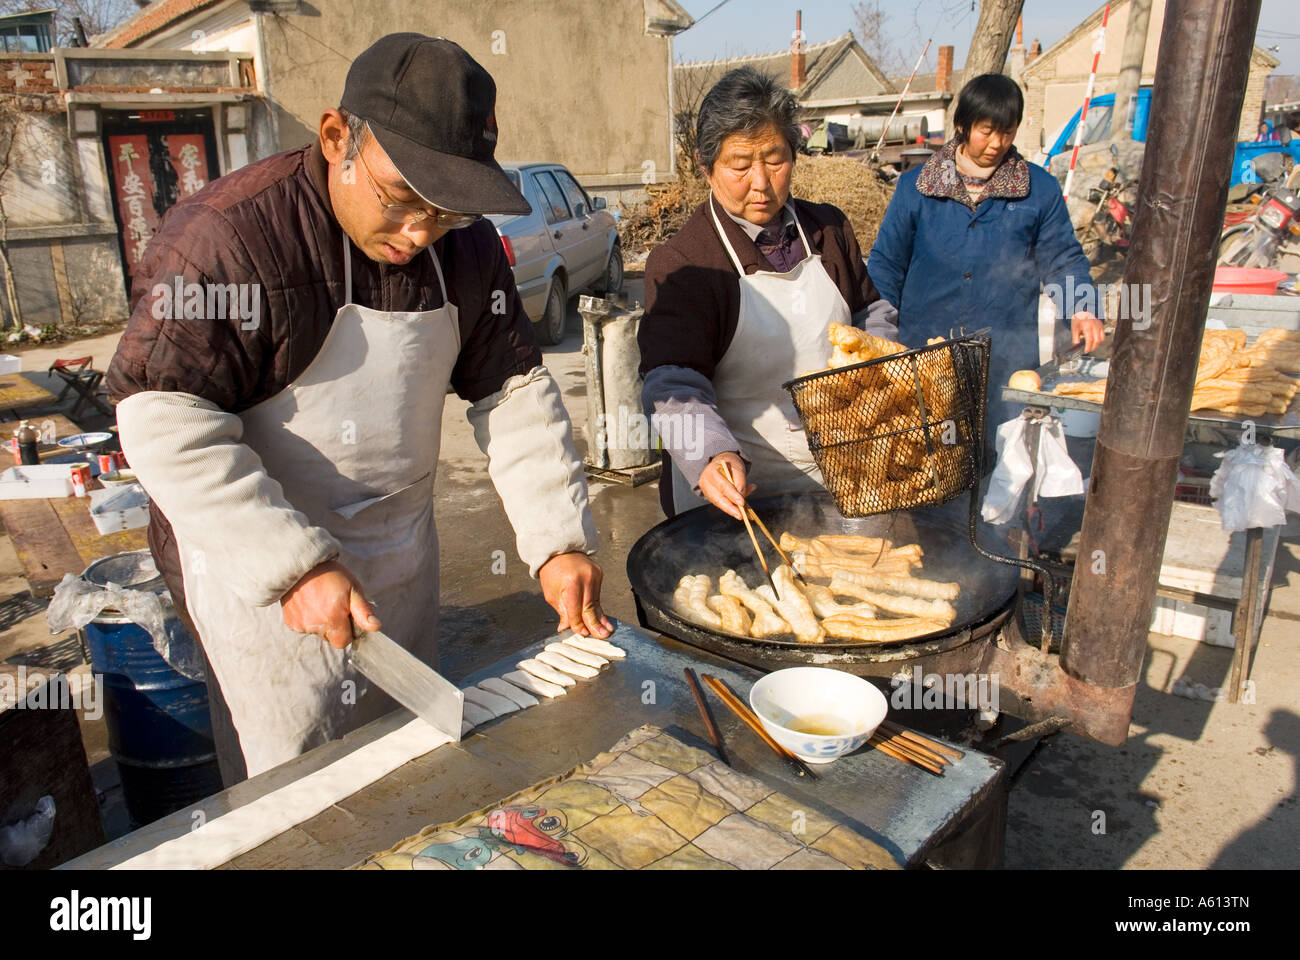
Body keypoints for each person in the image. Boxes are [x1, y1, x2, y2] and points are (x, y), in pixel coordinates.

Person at [107, 34, 610, 783]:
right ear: (337, 138)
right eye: (401, 200)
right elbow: (161, 417)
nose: (419, 235)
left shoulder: (465, 249)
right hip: (263, 574)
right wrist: (293, 565)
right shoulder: (227, 239)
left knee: (408, 773)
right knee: (297, 795)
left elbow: (512, 392)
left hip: (398, 556)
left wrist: (559, 538)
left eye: (443, 214)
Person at [638, 67, 893, 520]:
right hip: (734, 497)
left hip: (838, 480)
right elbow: (672, 384)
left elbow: (869, 310)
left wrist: (880, 364)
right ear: (706, 166)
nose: (760, 181)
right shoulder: (686, 261)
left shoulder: (828, 229)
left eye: (775, 159)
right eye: (739, 164)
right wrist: (710, 454)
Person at [867, 73, 1105, 429]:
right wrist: (877, 336)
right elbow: (887, 265)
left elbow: (1063, 257)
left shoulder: (1037, 190)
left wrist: (1083, 307)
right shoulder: (916, 188)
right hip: (925, 351)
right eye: (986, 130)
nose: (996, 143)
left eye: (1007, 132)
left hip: (1005, 357)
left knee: (1002, 457)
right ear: (963, 125)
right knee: (930, 457)